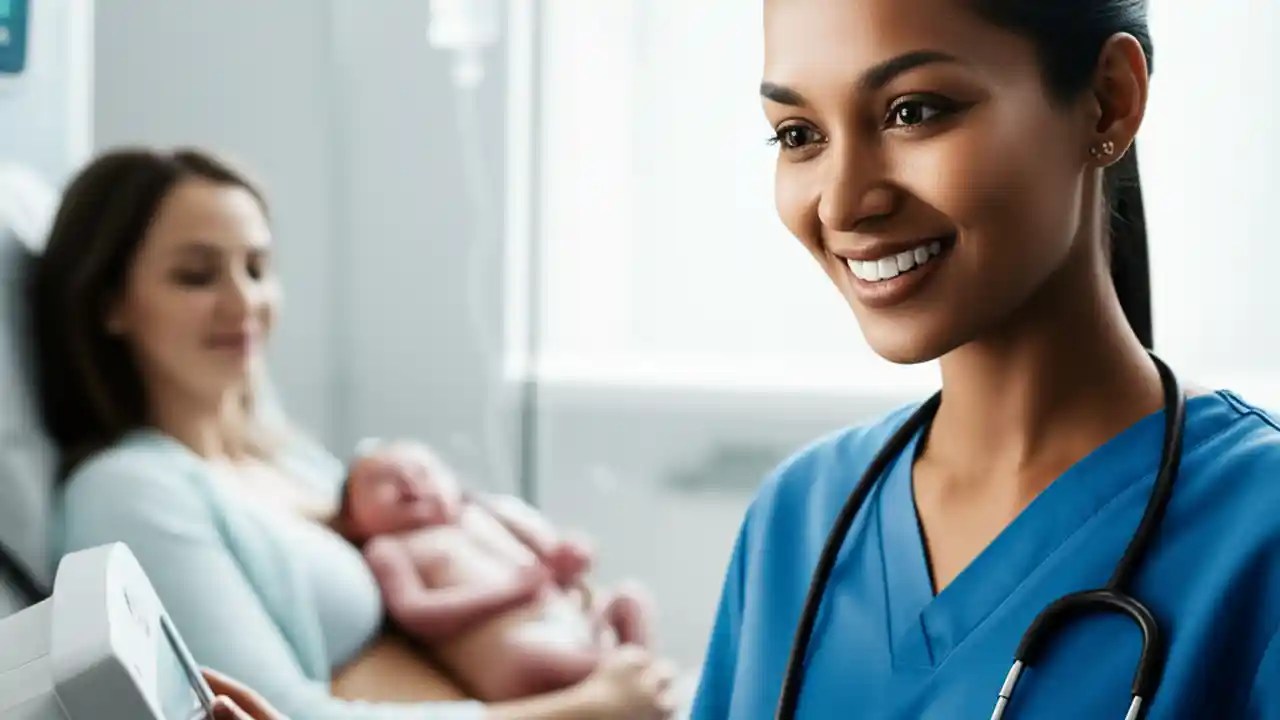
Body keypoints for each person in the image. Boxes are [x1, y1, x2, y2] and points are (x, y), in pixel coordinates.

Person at [692, 0, 1280, 718]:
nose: (844, 202)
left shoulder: (1258, 531)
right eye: (799, 134)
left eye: (914, 112)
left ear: (1107, 103)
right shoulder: (797, 520)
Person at [31, 148, 677, 720]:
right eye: (197, 276)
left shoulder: (294, 463)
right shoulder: (129, 491)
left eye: (257, 268)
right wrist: (583, 709)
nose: (243, 302)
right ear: (110, 302)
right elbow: (274, 714)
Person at [342, 440, 652, 701]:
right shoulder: (389, 548)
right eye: (381, 480)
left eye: (424, 472)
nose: (410, 483)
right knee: (537, 662)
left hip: (572, 628)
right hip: (516, 658)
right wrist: (509, 591)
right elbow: (414, 612)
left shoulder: (483, 514)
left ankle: (636, 681)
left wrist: (570, 556)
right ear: (351, 521)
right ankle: (625, 681)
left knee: (629, 598)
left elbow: (551, 558)